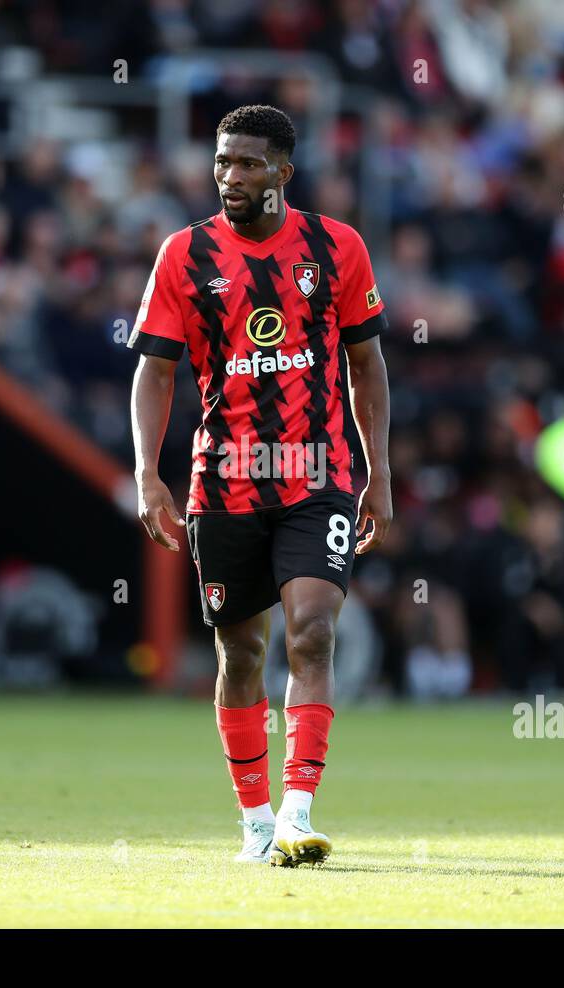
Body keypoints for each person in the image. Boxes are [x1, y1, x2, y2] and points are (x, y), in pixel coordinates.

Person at [129, 105, 392, 866]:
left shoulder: (336, 247)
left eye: (246, 163)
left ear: (283, 169)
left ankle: (299, 812)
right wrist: (148, 475)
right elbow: (154, 370)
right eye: (221, 162)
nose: (229, 176)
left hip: (319, 474)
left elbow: (367, 366)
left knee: (312, 632)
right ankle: (255, 821)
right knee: (240, 654)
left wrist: (378, 471)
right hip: (226, 481)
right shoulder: (184, 255)